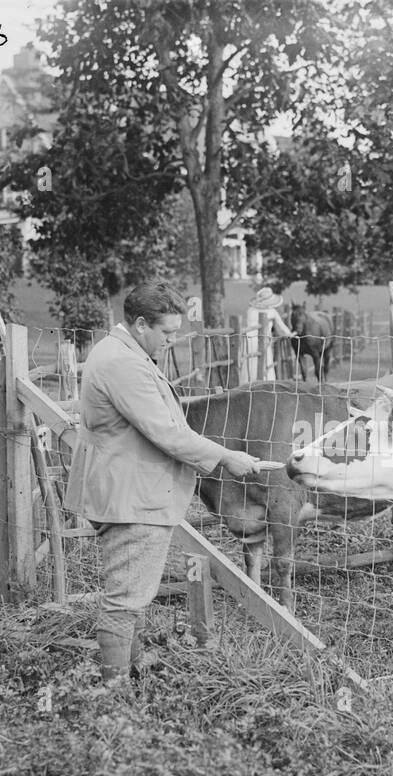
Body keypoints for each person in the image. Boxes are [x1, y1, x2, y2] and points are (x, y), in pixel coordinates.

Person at [65, 280, 263, 681]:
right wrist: (225, 456)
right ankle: (114, 686)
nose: (172, 341)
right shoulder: (122, 364)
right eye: (167, 333)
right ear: (140, 324)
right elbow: (167, 432)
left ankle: (131, 667)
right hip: (131, 497)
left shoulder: (121, 352)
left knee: (134, 591)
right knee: (125, 598)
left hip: (132, 491)